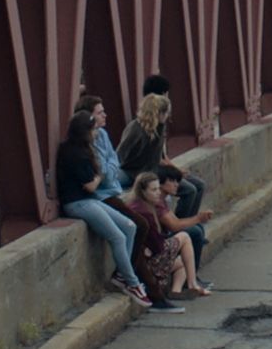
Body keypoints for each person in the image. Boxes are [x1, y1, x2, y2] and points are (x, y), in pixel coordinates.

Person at [54, 110, 151, 307]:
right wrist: (98, 176)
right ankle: (132, 283)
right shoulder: (76, 154)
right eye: (94, 129)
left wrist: (97, 177)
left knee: (130, 226)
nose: (97, 133)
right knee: (118, 236)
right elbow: (91, 185)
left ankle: (123, 276)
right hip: (78, 203)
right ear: (85, 132)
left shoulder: (80, 148)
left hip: (89, 200)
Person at [122, 171, 210, 312]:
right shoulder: (144, 211)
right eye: (154, 190)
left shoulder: (149, 204)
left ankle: (175, 291)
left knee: (183, 262)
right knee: (185, 237)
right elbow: (158, 244)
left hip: (153, 256)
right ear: (142, 191)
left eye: (158, 189)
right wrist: (198, 218)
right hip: (149, 263)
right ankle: (193, 284)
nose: (158, 193)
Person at [143, 74, 205, 220]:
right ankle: (178, 228)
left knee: (199, 185)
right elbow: (157, 159)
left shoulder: (156, 117)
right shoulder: (151, 120)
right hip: (151, 170)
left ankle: (190, 226)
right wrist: (176, 171)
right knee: (190, 190)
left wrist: (175, 168)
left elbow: (162, 155)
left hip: (159, 167)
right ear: (164, 94)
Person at [154, 163, 214, 282]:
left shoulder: (162, 198)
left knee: (198, 228)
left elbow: (176, 221)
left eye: (177, 181)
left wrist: (197, 219)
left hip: (163, 240)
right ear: (160, 183)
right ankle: (190, 280)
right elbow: (174, 226)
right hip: (157, 247)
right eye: (172, 181)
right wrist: (198, 218)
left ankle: (190, 276)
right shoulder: (156, 201)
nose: (177, 185)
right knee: (195, 231)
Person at [75, 94, 125, 203]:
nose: (105, 115)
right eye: (99, 113)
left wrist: (109, 166)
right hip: (102, 195)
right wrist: (112, 165)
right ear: (89, 117)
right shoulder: (87, 141)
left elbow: (114, 157)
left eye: (103, 111)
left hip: (115, 189)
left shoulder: (102, 133)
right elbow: (106, 179)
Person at [118, 93, 171, 183]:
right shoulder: (136, 128)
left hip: (148, 172)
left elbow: (157, 158)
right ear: (160, 113)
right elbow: (121, 154)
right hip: (130, 173)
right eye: (166, 112)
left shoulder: (159, 128)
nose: (168, 115)